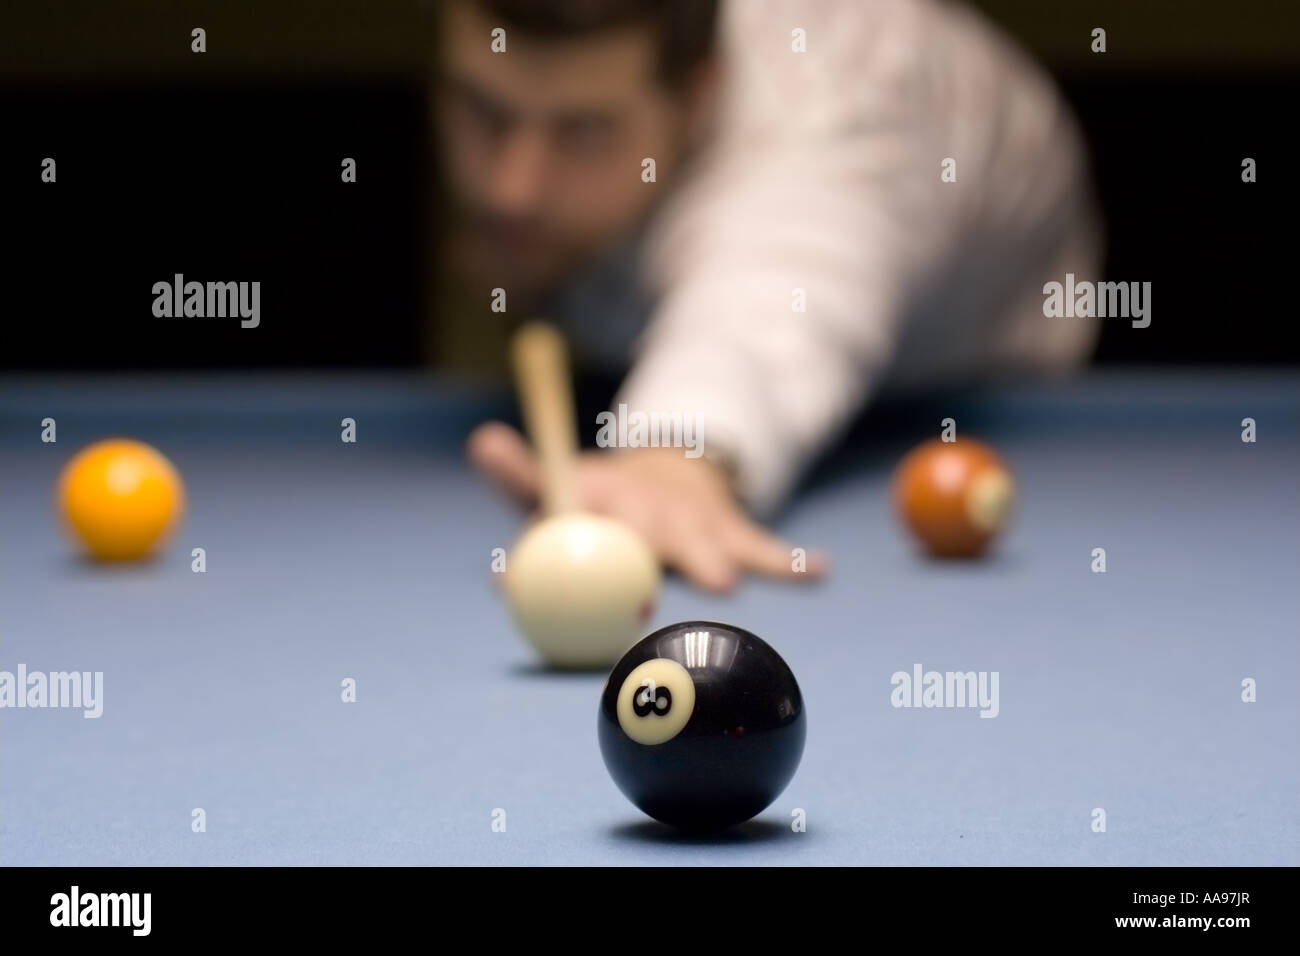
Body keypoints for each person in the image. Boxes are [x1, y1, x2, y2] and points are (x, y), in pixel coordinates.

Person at [435, 0, 1101, 591]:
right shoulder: (571, 163)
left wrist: (673, 462)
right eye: (486, 114)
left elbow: (773, 306)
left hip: (965, 373)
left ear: (700, 93)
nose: (511, 189)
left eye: (583, 131)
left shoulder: (837, 117)